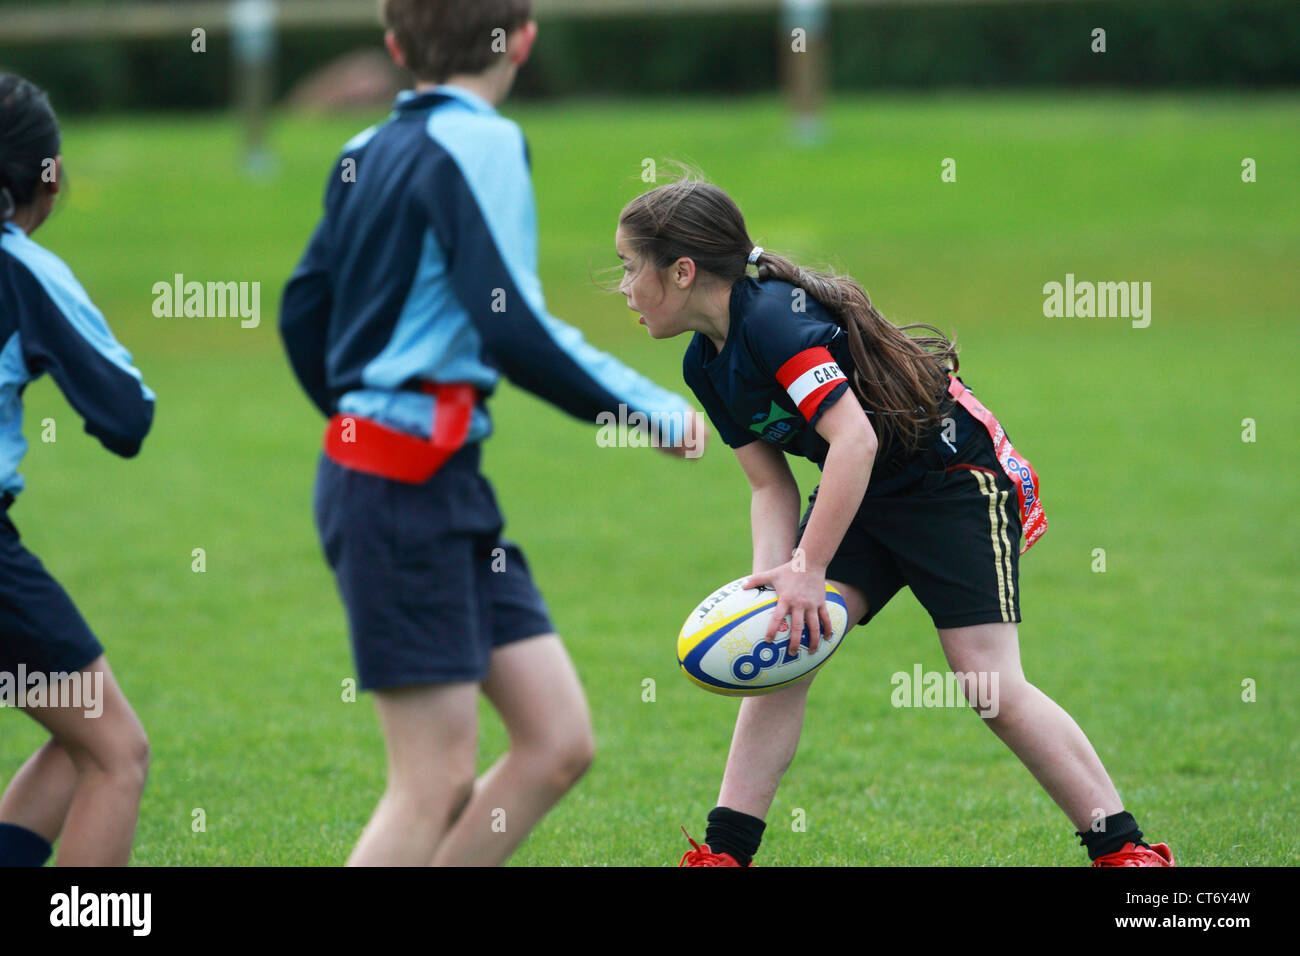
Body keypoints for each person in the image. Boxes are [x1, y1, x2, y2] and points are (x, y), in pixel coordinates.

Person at [614, 173, 1173, 868]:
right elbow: (769, 484)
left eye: (629, 267)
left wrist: (809, 567)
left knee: (986, 682)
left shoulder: (771, 321)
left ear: (682, 270)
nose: (624, 288)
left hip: (949, 478)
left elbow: (855, 440)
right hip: (865, 492)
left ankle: (1127, 853)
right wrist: (778, 580)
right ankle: (725, 855)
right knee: (788, 645)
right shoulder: (706, 362)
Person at [279, 0, 705, 866]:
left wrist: (357, 413)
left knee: (556, 741)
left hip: (431, 482)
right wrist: (646, 407)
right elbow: (512, 325)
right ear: (525, 41)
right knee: (429, 783)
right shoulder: (487, 143)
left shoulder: (362, 152)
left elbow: (301, 311)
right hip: (400, 484)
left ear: (397, 46)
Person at [0, 75, 155, 866]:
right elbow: (127, 416)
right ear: (49, 178)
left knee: (76, 741)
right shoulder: (21, 270)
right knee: (115, 754)